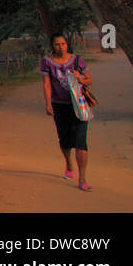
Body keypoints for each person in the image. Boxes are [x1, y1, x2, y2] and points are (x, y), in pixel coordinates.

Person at [40, 33, 94, 191]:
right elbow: (47, 84)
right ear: (53, 46)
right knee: (64, 139)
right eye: (57, 44)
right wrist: (48, 104)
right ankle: (69, 164)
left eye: (63, 44)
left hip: (79, 105)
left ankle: (82, 179)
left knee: (81, 141)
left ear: (67, 45)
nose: (61, 47)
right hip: (59, 105)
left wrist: (81, 79)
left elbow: (90, 79)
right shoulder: (46, 62)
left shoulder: (77, 61)